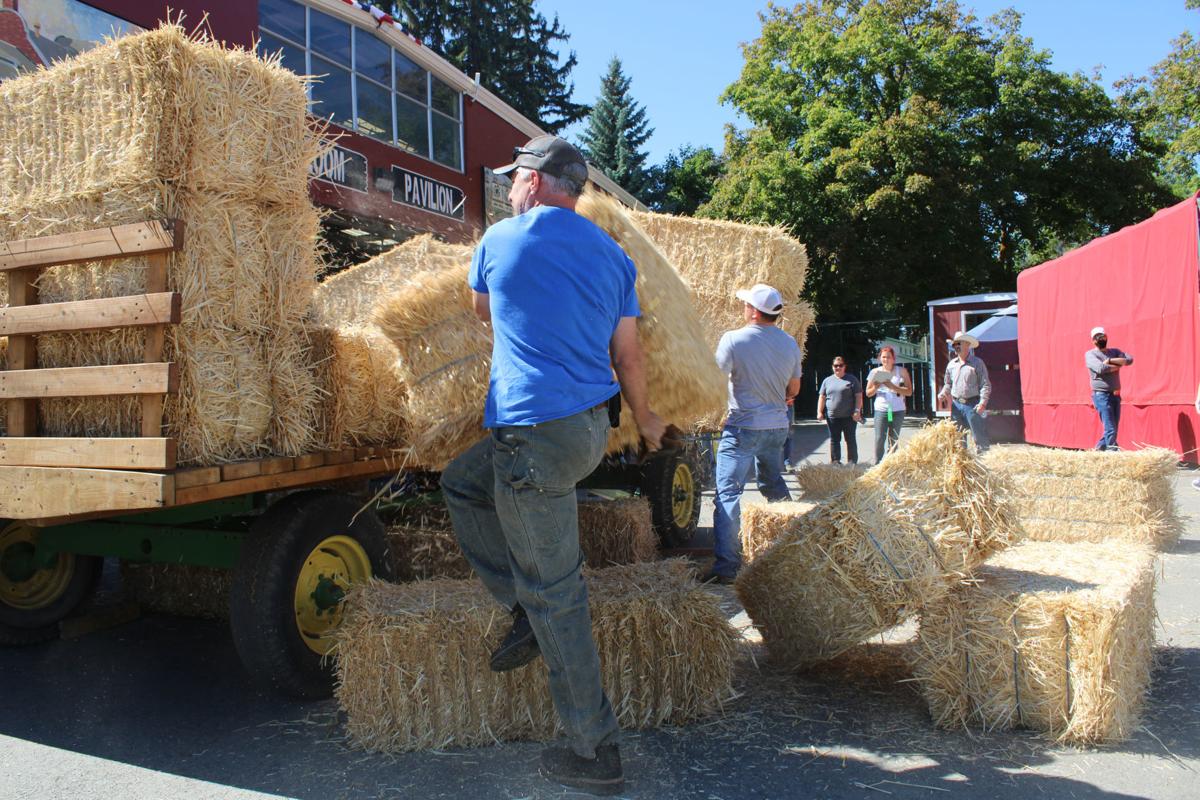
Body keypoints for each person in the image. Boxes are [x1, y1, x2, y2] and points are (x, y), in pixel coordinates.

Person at [439, 134, 665, 796]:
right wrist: (647, 419)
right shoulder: (614, 256)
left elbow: (485, 312)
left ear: (536, 181)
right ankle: (519, 607)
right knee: (464, 483)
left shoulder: (499, 242)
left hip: (531, 436)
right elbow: (629, 356)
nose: (509, 187)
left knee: (557, 594)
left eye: (514, 178)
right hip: (588, 432)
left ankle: (595, 750)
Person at [709, 283, 803, 584]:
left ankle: (727, 568)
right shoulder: (789, 343)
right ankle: (795, 548)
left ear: (753, 311)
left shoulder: (734, 339)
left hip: (743, 426)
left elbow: (714, 377)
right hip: (777, 425)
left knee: (728, 493)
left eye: (746, 304)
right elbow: (794, 389)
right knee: (773, 483)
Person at [938, 331, 992, 452]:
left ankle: (984, 461)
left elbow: (985, 384)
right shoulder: (951, 365)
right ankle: (962, 466)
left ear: (967, 344)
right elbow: (948, 384)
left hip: (973, 404)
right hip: (956, 405)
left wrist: (983, 403)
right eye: (955, 344)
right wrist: (943, 393)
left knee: (979, 436)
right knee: (958, 439)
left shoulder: (977, 363)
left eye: (959, 343)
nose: (956, 346)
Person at [1085, 325, 1132, 451]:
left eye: (1102, 336)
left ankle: (1098, 450)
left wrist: (1108, 362)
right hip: (1101, 395)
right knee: (1110, 427)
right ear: (1093, 340)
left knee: (1113, 427)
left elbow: (1129, 360)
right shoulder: (1090, 355)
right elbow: (1100, 368)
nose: (1100, 338)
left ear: (1106, 337)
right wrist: (1117, 364)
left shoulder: (1114, 351)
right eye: (1097, 337)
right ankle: (1112, 451)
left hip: (1115, 394)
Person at [865, 345, 912, 463]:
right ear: (880, 358)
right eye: (883, 357)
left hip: (896, 410)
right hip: (882, 409)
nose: (886, 359)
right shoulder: (875, 372)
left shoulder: (901, 371)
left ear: (893, 359)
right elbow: (868, 393)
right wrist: (877, 385)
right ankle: (877, 463)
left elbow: (909, 392)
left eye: (888, 357)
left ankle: (891, 463)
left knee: (894, 438)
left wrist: (892, 386)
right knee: (880, 437)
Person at [816, 356, 863, 463]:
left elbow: (859, 396)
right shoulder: (827, 380)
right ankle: (836, 462)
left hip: (849, 416)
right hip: (832, 417)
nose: (838, 367)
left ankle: (852, 462)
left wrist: (857, 410)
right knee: (834, 440)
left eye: (840, 365)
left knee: (850, 440)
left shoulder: (851, 379)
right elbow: (822, 397)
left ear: (844, 366)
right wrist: (819, 411)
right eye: (835, 366)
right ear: (832, 367)